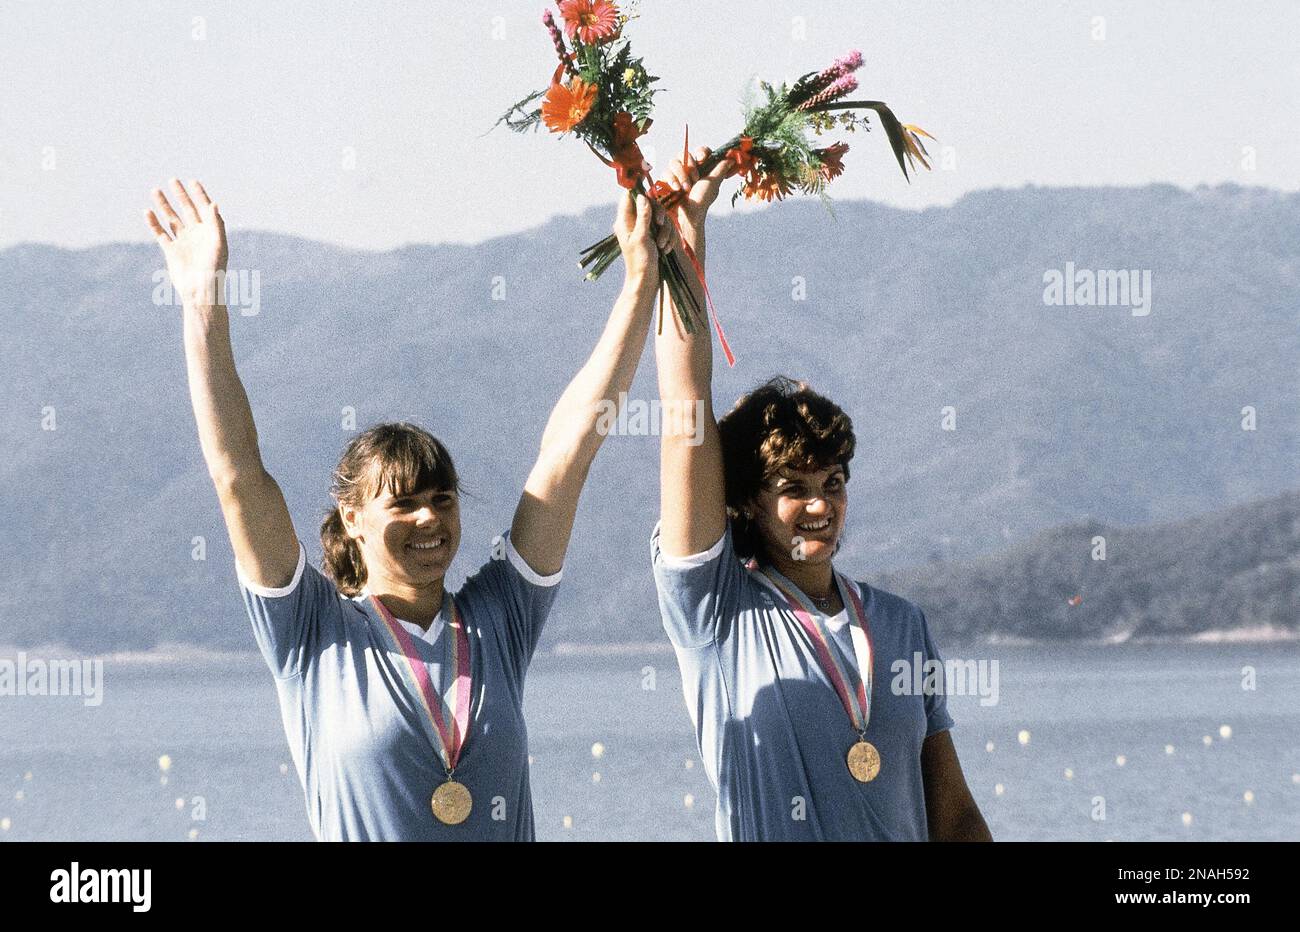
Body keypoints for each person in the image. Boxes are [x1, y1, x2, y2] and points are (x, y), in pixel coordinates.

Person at [145, 178, 676, 840]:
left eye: (442, 499)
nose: (429, 520)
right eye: (403, 504)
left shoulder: (499, 620)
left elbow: (567, 454)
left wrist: (638, 284)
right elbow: (238, 475)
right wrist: (204, 309)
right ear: (351, 519)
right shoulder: (313, 635)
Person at [649, 153, 992, 841]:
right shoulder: (715, 611)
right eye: (792, 488)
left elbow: (952, 813)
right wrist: (687, 243)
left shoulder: (900, 626)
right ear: (743, 499)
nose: (820, 506)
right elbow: (686, 409)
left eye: (832, 483)